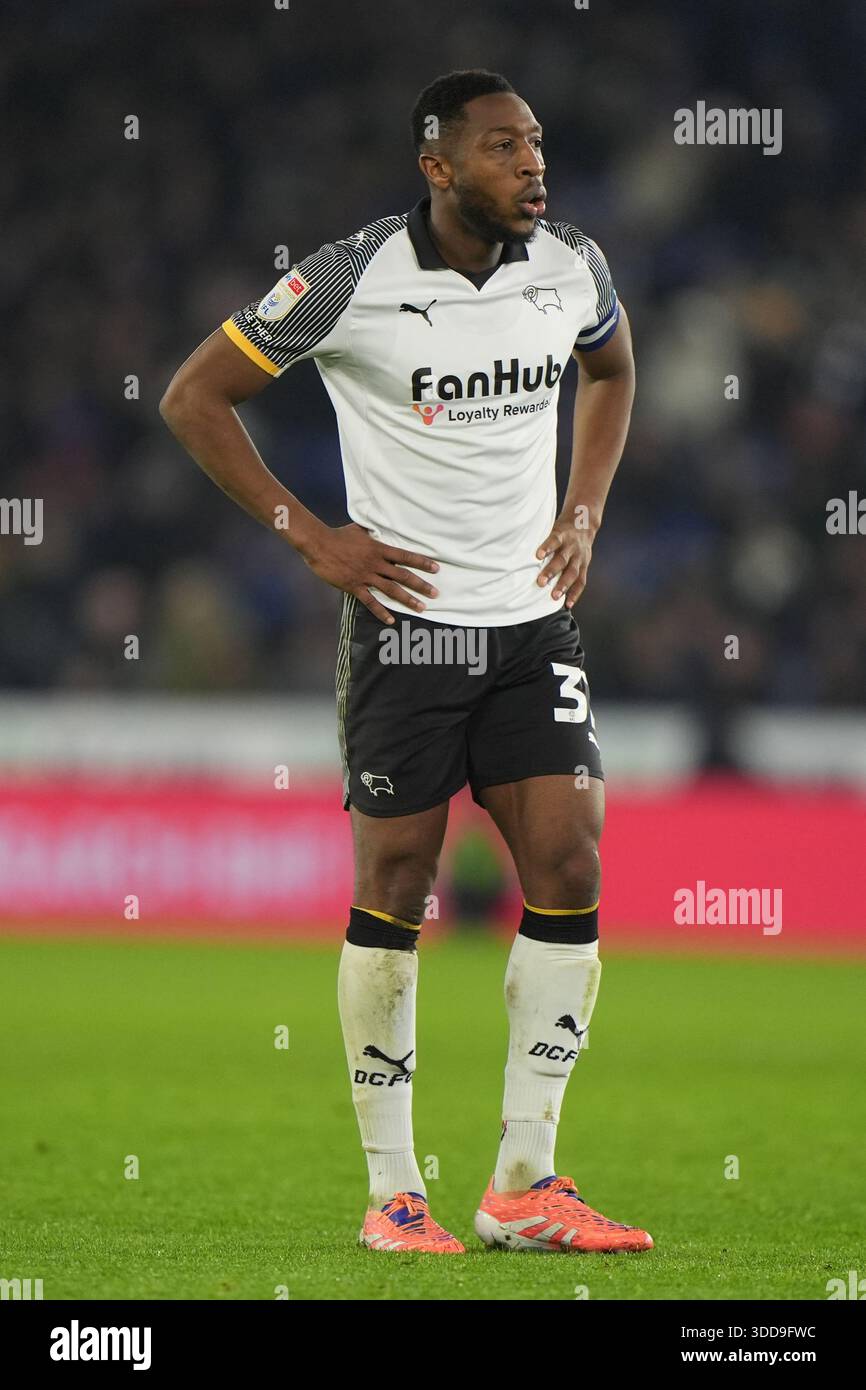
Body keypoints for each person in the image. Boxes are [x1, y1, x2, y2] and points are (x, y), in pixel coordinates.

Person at [160, 68, 652, 1255]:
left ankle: (523, 1180)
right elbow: (193, 397)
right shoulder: (350, 278)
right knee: (396, 885)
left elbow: (613, 370)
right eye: (501, 148)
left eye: (535, 144)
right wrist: (313, 537)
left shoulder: (570, 263)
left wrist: (581, 511)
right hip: (407, 629)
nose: (532, 165)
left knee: (570, 855)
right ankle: (393, 1194)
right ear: (437, 167)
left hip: (532, 622)